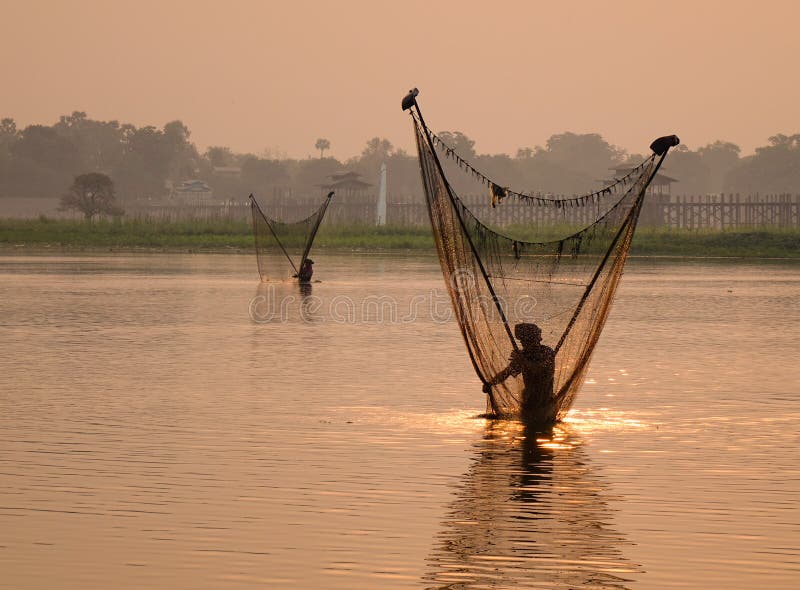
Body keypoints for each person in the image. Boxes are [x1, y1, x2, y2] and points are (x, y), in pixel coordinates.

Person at [483, 322, 556, 416]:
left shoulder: (547, 352)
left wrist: (522, 360)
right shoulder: (524, 354)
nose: (523, 344)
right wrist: (490, 383)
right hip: (529, 402)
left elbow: (537, 370)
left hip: (546, 400)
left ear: (536, 340)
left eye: (527, 341)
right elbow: (507, 372)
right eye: (522, 341)